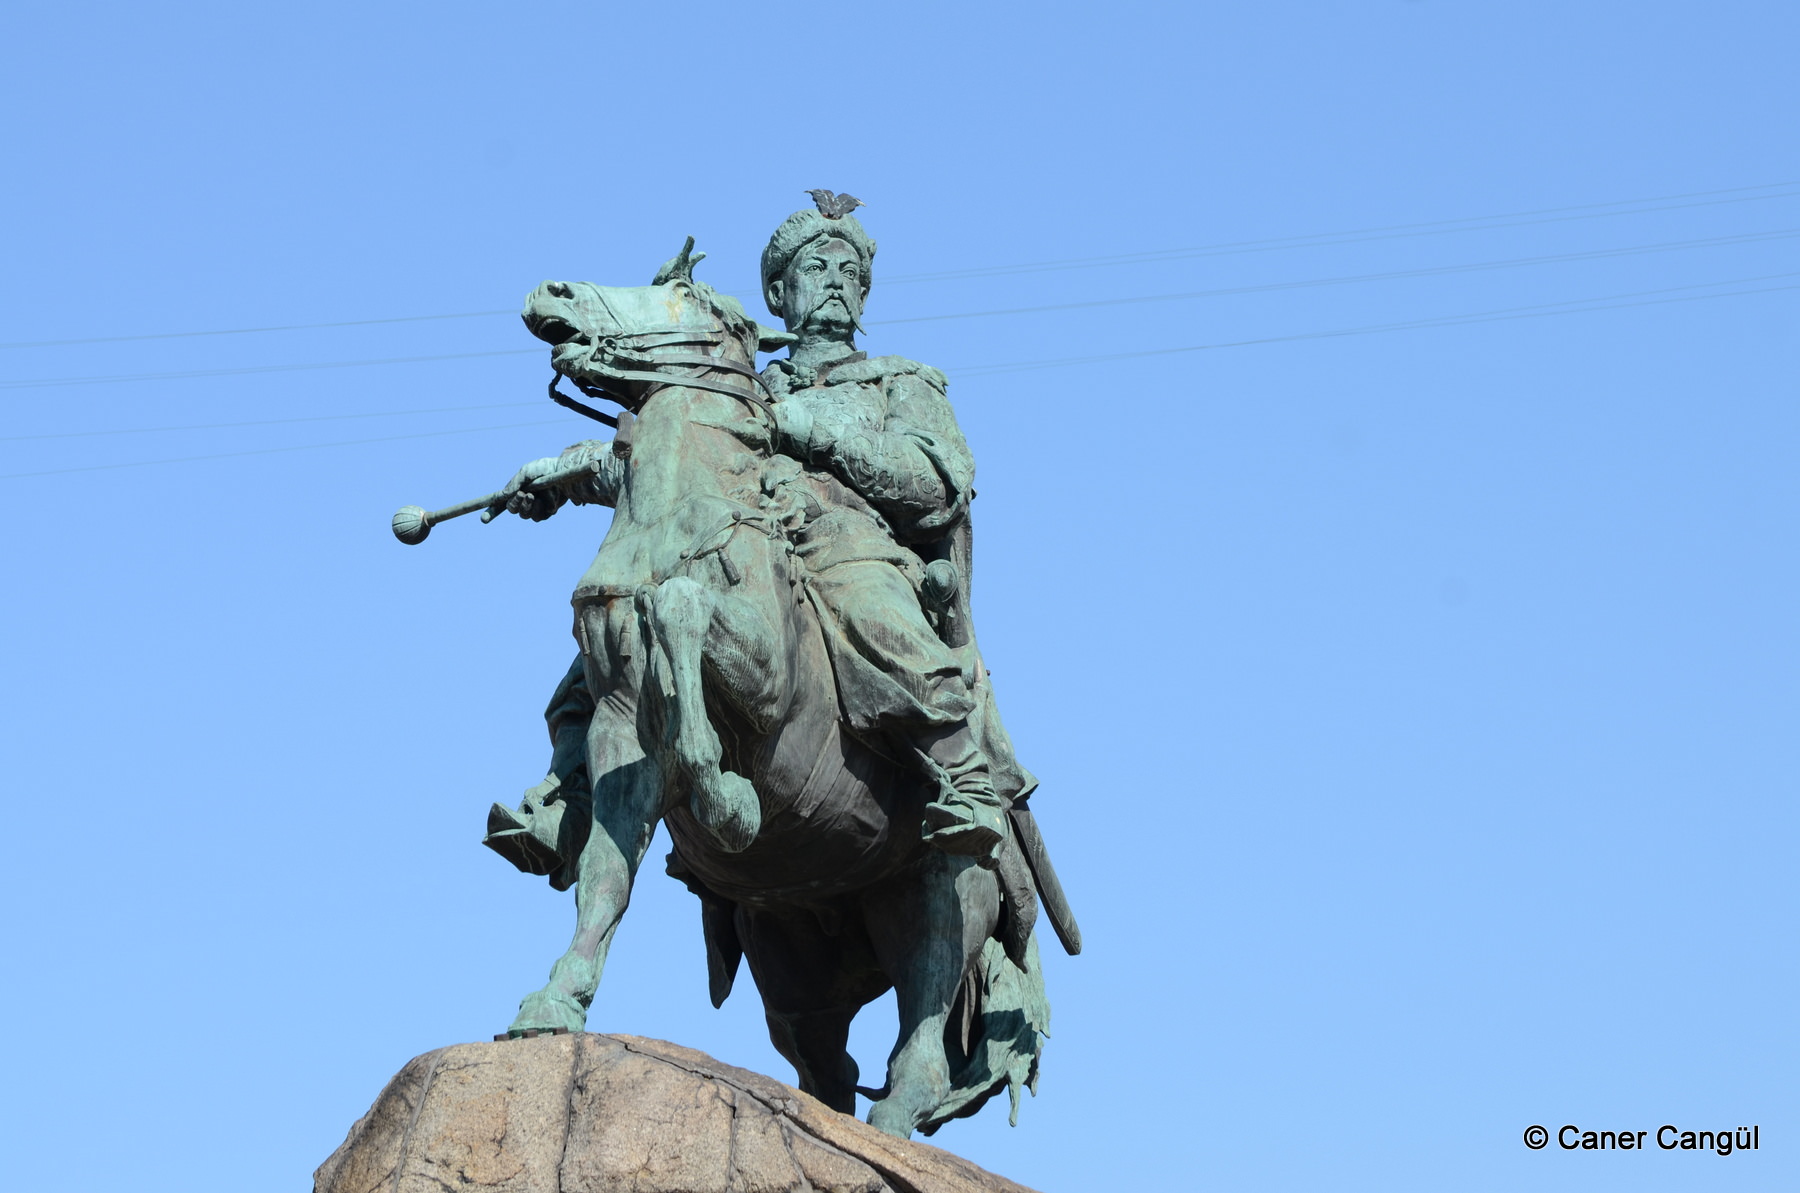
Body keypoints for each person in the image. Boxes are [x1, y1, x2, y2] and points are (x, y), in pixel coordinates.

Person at [492, 205, 1030, 864]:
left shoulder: (898, 382)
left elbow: (939, 482)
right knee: (610, 639)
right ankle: (571, 799)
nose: (835, 280)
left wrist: (811, 429)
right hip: (738, 549)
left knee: (874, 609)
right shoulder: (733, 381)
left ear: (864, 291)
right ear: (779, 292)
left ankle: (963, 779)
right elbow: (670, 465)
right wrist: (562, 473)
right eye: (816, 267)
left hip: (844, 542)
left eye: (849, 271)